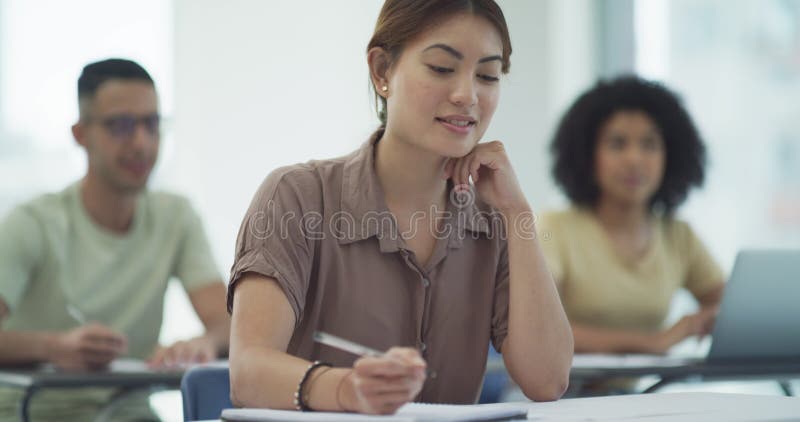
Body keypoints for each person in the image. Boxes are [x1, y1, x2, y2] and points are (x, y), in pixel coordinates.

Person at [227, 0, 573, 415]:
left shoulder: (495, 217)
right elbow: (247, 372)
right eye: (442, 68)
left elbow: (547, 380)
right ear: (381, 71)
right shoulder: (296, 196)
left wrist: (518, 215)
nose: (467, 95)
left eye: (487, 76)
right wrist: (346, 389)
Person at [0, 58, 230, 421]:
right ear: (81, 134)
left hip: (130, 413)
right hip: (36, 413)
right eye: (121, 126)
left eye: (151, 124)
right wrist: (52, 347)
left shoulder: (175, 217)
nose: (141, 142)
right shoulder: (33, 224)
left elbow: (229, 323)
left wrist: (204, 343)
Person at [539, 75, 725, 359]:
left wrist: (707, 321)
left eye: (649, 144)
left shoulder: (678, 235)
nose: (634, 159)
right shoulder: (554, 228)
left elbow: (730, 308)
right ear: (588, 155)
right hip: (565, 386)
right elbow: (540, 328)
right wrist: (655, 342)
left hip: (649, 385)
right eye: (617, 144)